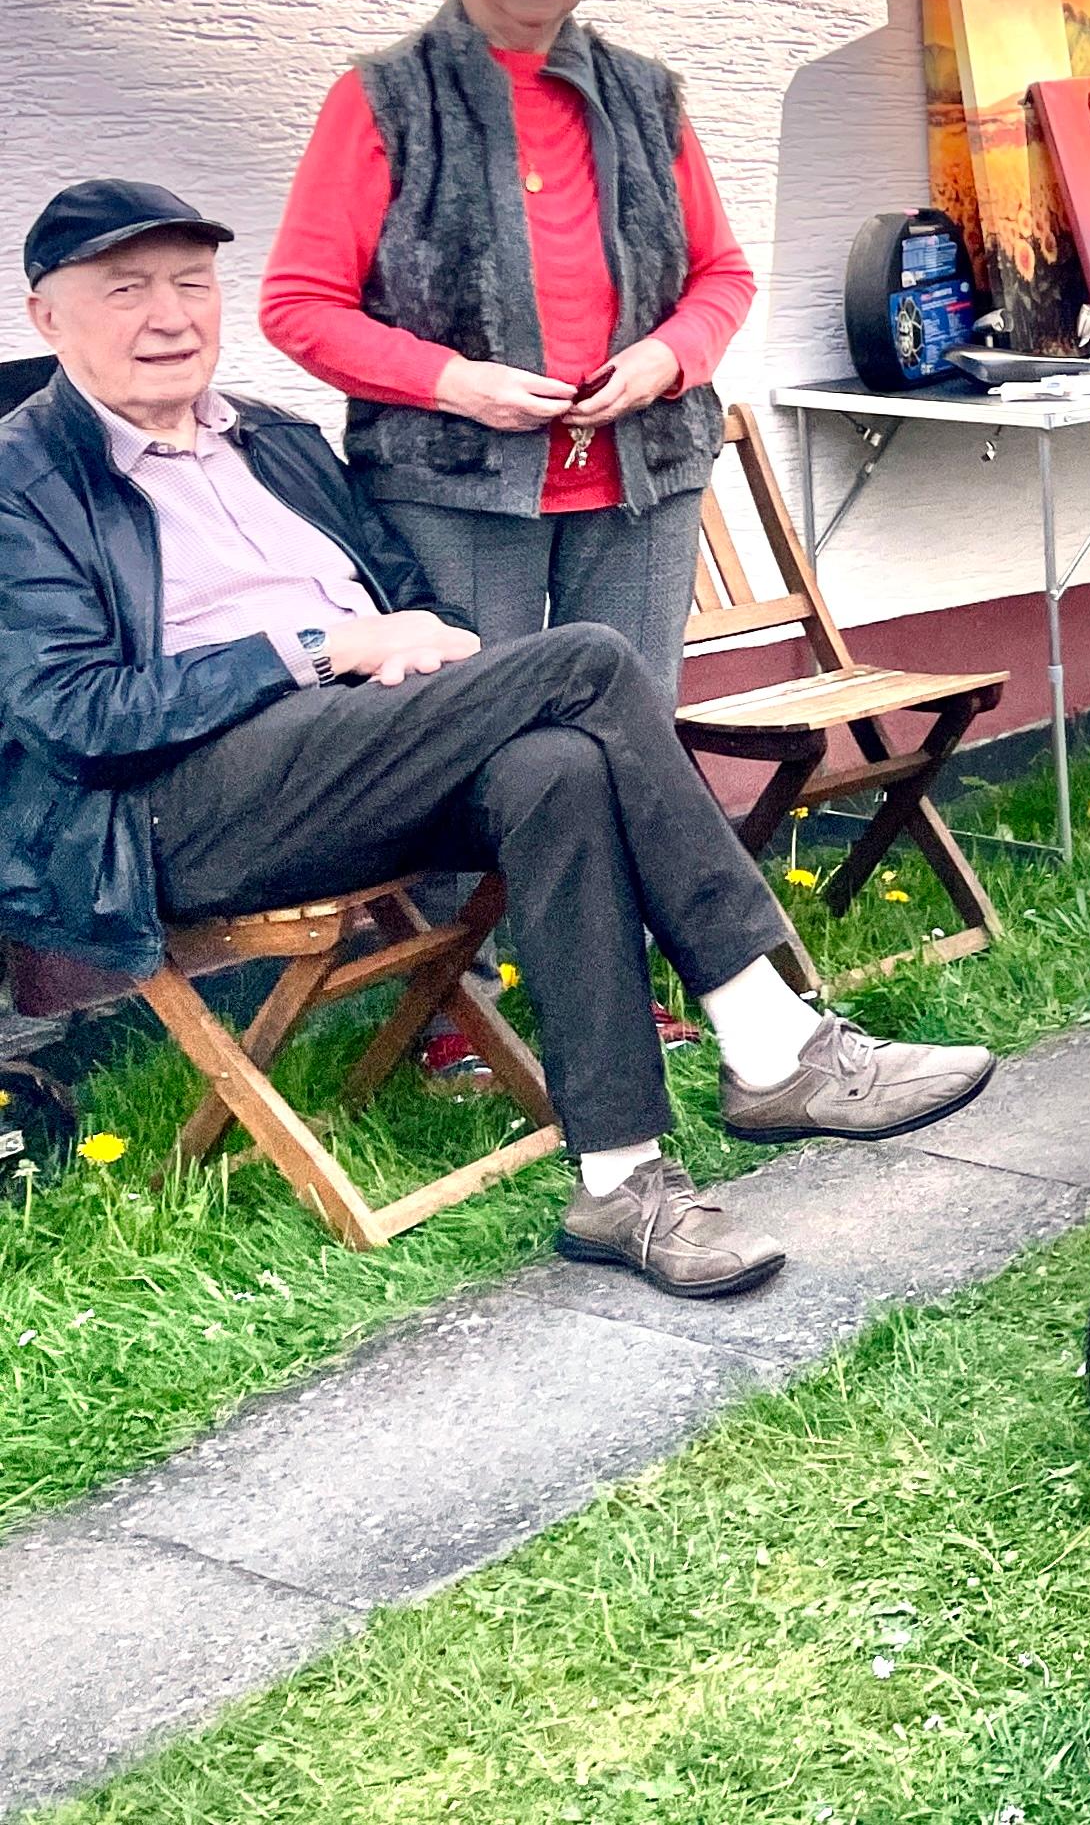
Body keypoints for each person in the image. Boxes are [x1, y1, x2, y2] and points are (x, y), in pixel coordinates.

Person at [0, 181, 995, 1295]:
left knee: (554, 764)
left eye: (192, 282)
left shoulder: (272, 438)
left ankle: (621, 1182)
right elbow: (75, 716)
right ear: (48, 317)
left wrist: (419, 646)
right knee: (587, 658)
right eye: (126, 291)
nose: (171, 315)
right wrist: (320, 648)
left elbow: (414, 597)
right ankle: (768, 1033)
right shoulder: (22, 479)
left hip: (359, 749)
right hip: (183, 807)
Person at [262, 0, 753, 697]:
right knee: (470, 735)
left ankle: (617, 848)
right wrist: (455, 382)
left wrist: (666, 358)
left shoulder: (646, 95)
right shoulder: (386, 99)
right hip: (451, 488)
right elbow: (300, 306)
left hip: (647, 478)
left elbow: (723, 275)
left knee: (632, 728)